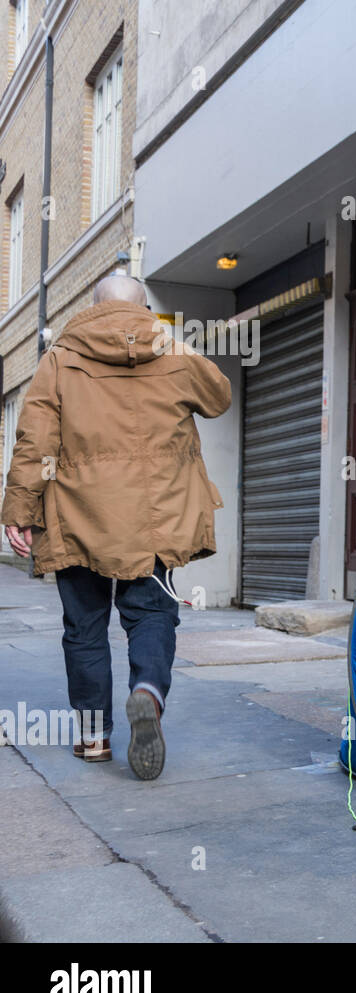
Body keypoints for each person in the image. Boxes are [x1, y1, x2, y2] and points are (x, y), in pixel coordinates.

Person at [1, 273, 230, 779]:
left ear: (94, 305)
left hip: (80, 516)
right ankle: (147, 690)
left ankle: (94, 737)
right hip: (156, 518)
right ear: (144, 306)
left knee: (83, 629)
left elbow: (35, 442)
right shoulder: (169, 349)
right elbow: (218, 397)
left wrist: (19, 510)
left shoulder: (60, 357)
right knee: (152, 615)